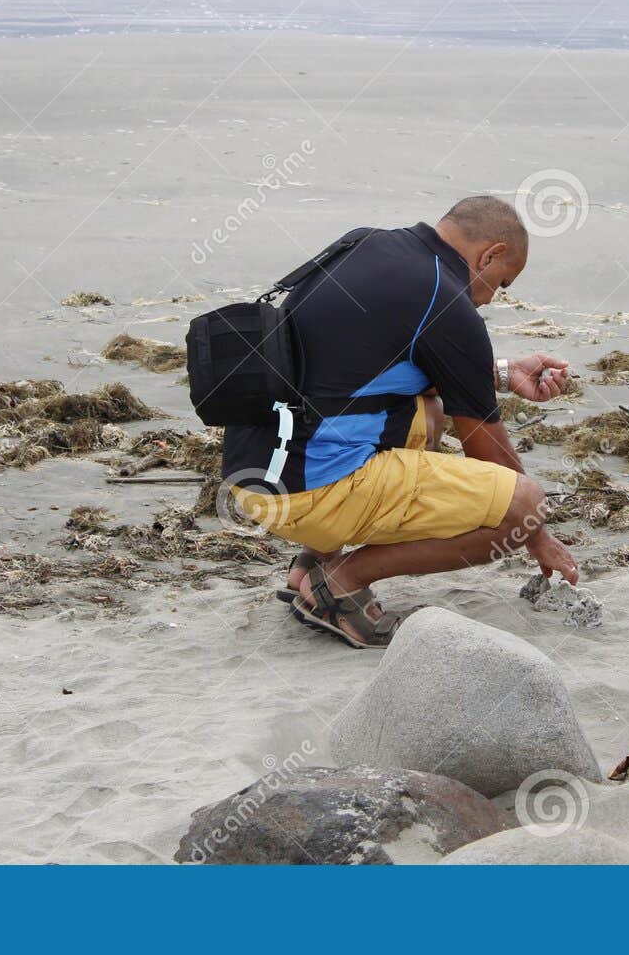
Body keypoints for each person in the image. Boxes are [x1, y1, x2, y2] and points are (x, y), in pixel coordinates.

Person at [226, 195, 579, 648]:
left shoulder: (364, 244)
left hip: (252, 474)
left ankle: (312, 562)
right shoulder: (449, 304)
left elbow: (367, 366)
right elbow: (489, 453)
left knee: (425, 410)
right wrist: (537, 536)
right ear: (489, 255)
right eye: (502, 283)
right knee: (523, 503)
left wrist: (506, 373)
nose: (492, 298)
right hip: (310, 494)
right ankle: (339, 585)